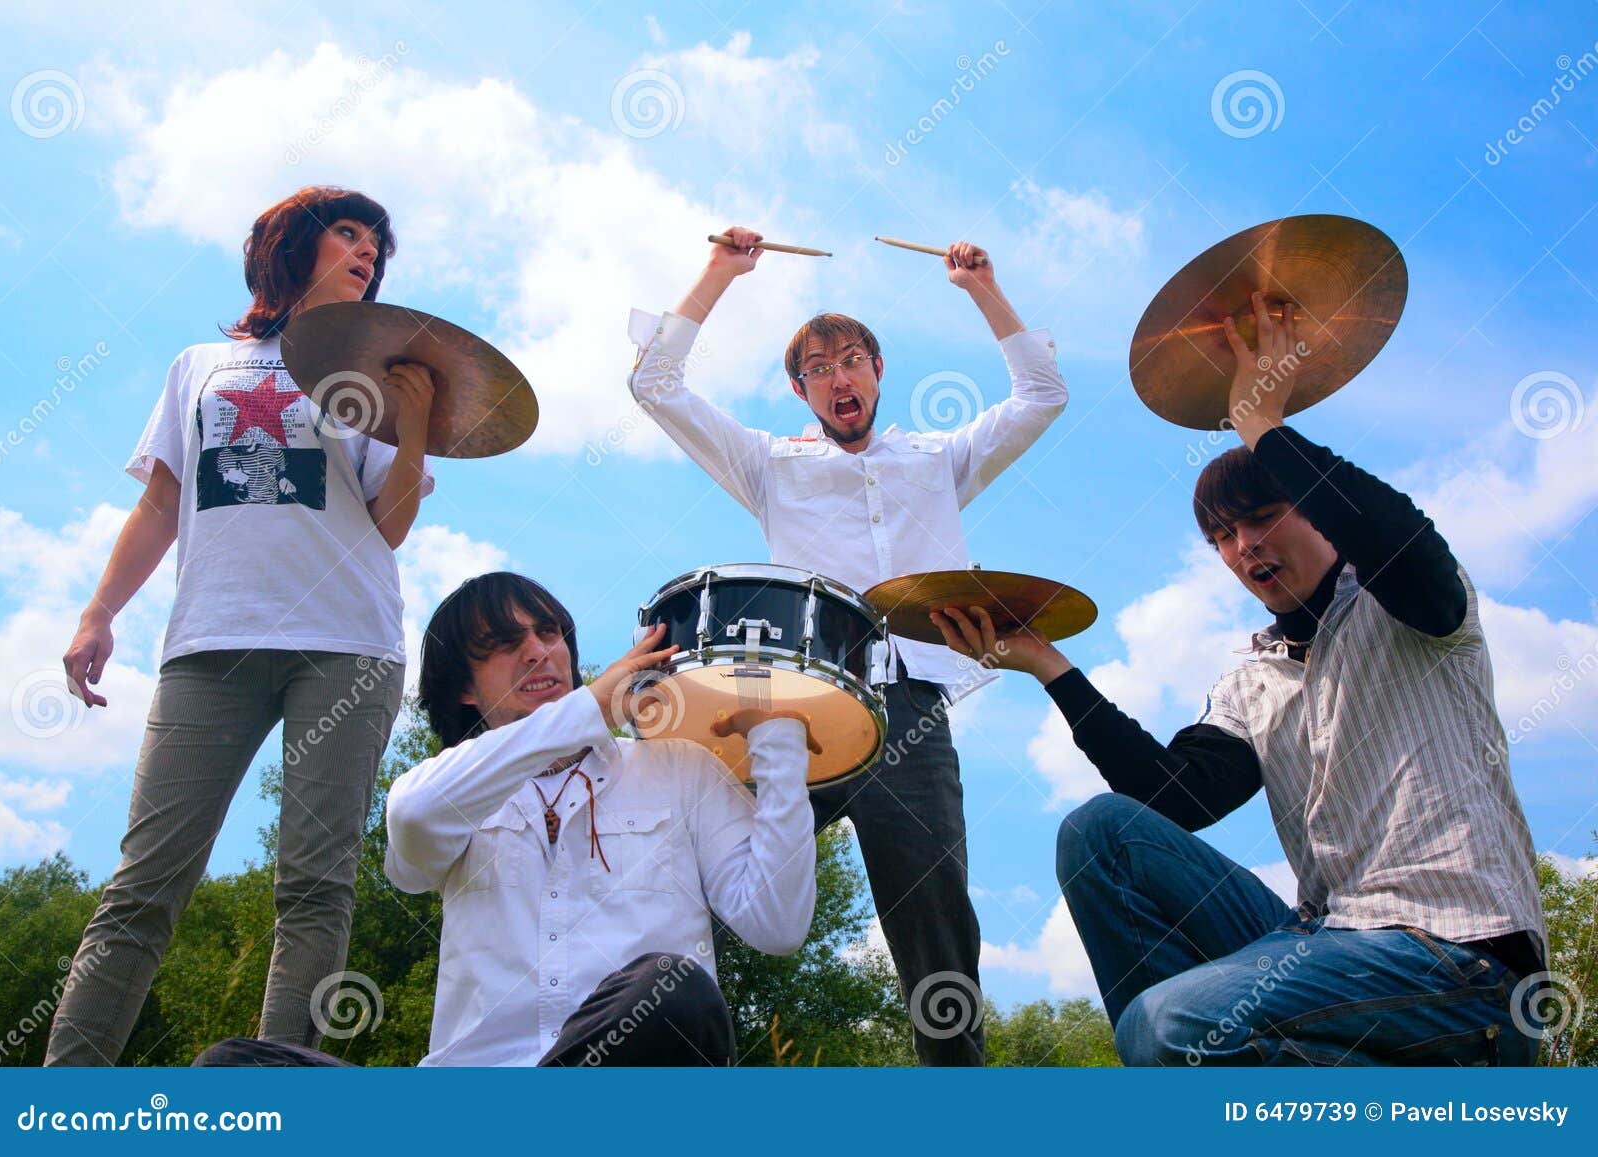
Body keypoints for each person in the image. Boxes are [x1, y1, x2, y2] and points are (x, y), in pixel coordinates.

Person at [933, 292, 1547, 1066]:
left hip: (1464, 967)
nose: (1243, 545)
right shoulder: (1252, 679)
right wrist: (1046, 663)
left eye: (1261, 517)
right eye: (1222, 535)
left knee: (1167, 1021)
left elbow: (1391, 533)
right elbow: (1173, 798)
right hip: (1327, 945)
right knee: (1099, 835)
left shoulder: (1411, 601)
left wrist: (1260, 421)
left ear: (1316, 511)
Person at [627, 228, 1068, 1064]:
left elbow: (1042, 395)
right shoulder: (769, 464)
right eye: (819, 367)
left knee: (934, 921)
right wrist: (719, 272)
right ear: (800, 389)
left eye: (852, 360)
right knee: (687, 883)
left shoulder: (937, 461)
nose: (839, 376)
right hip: (796, 706)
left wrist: (982, 288)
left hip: (909, 709)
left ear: (877, 371)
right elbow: (655, 384)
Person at [47, 186, 436, 1065]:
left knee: (315, 883)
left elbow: (390, 524)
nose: (368, 251)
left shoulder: (372, 375)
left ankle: (277, 1092)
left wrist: (412, 421)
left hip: (347, 645)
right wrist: (99, 611)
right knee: (144, 884)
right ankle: (61, 1096)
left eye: (377, 244)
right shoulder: (198, 365)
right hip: (208, 643)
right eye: (348, 232)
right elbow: (160, 504)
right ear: (290, 245)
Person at [193, 573, 813, 1066]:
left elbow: (777, 924)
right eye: (505, 644)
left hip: (621, 1090)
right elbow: (412, 819)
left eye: (548, 633)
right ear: (464, 688)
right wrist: (591, 708)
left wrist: (778, 746)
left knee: (674, 991)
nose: (538, 652)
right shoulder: (450, 788)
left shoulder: (679, 768)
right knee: (234, 1071)